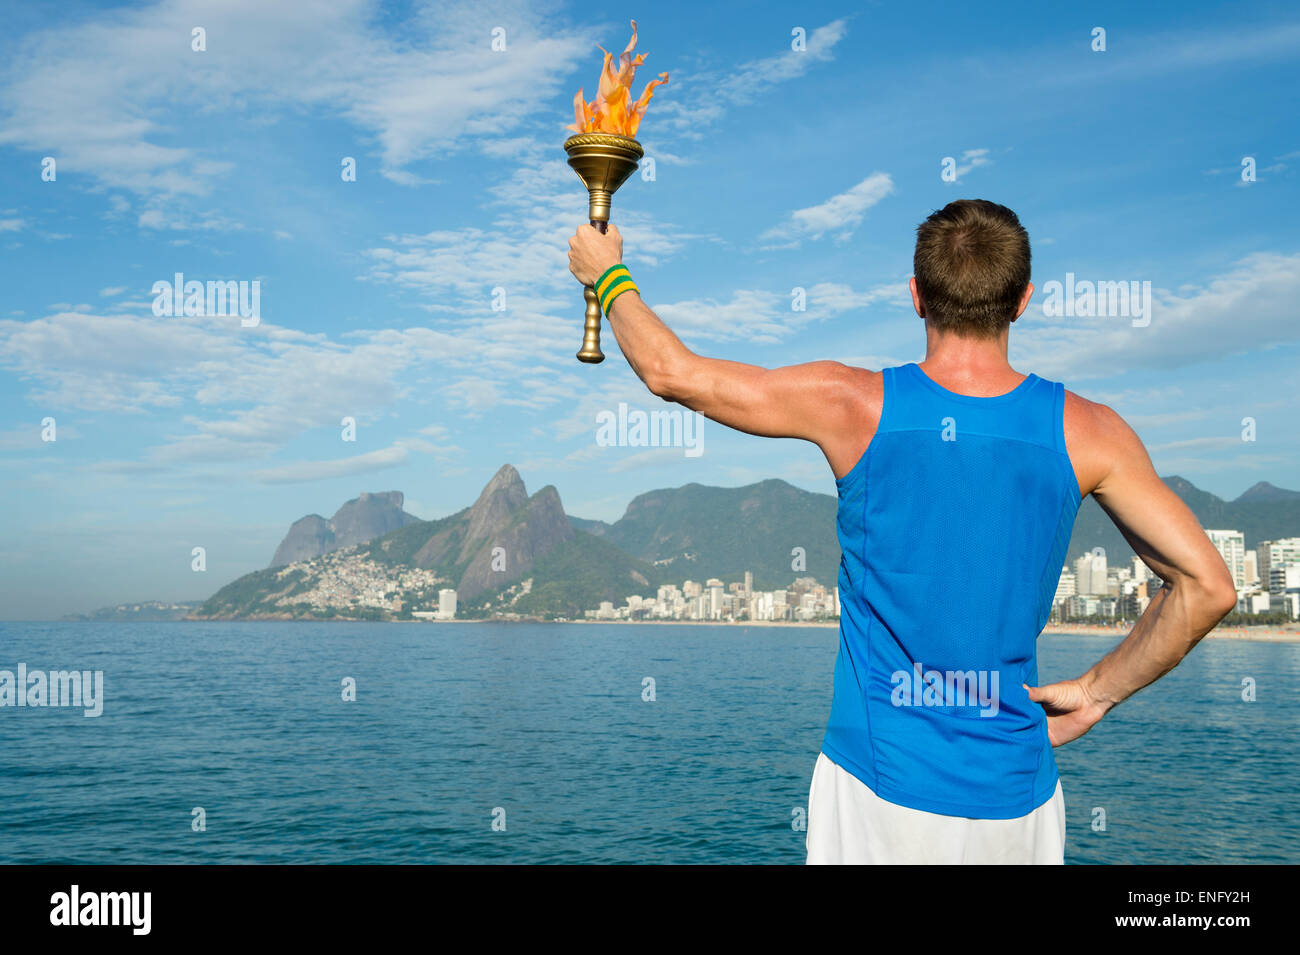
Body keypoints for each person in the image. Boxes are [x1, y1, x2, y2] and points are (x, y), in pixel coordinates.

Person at [567, 199, 1238, 864]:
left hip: (875, 794)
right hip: (1019, 799)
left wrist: (608, 274)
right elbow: (1208, 587)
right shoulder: (1090, 430)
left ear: (917, 296)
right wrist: (1095, 692)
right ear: (1023, 300)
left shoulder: (854, 405)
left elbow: (673, 373)